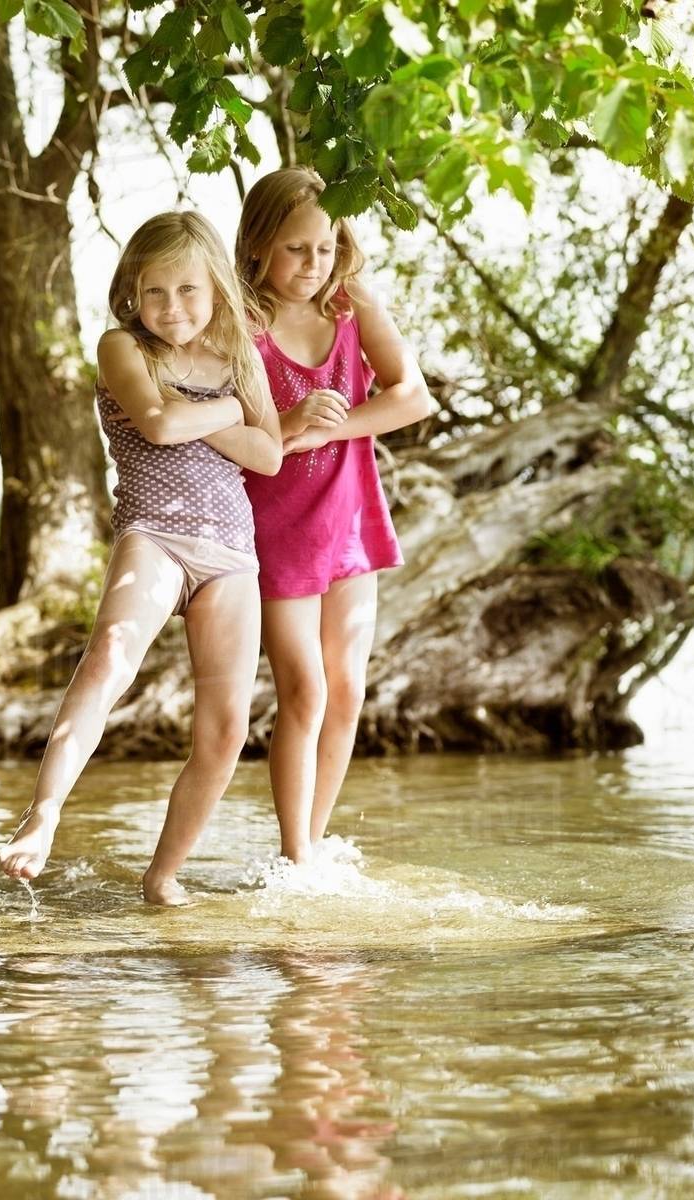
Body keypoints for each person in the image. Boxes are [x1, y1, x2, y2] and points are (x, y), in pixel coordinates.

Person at [0, 211, 282, 904]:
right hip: (153, 536)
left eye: (188, 291)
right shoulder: (121, 347)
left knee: (227, 727)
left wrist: (205, 413)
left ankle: (163, 876)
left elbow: (271, 455)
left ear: (216, 288)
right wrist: (228, 415)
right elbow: (157, 425)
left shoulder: (240, 356)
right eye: (155, 293)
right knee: (109, 660)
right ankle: (43, 815)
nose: (172, 308)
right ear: (131, 291)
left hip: (231, 553)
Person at [235, 167, 433, 865]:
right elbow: (234, 436)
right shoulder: (240, 324)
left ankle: (310, 845)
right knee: (303, 687)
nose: (313, 264)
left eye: (324, 248)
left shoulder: (351, 306)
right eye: (295, 249)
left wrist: (334, 427)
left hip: (349, 519)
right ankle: (293, 856)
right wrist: (290, 426)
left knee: (346, 688)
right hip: (277, 528)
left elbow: (414, 398)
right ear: (258, 246)